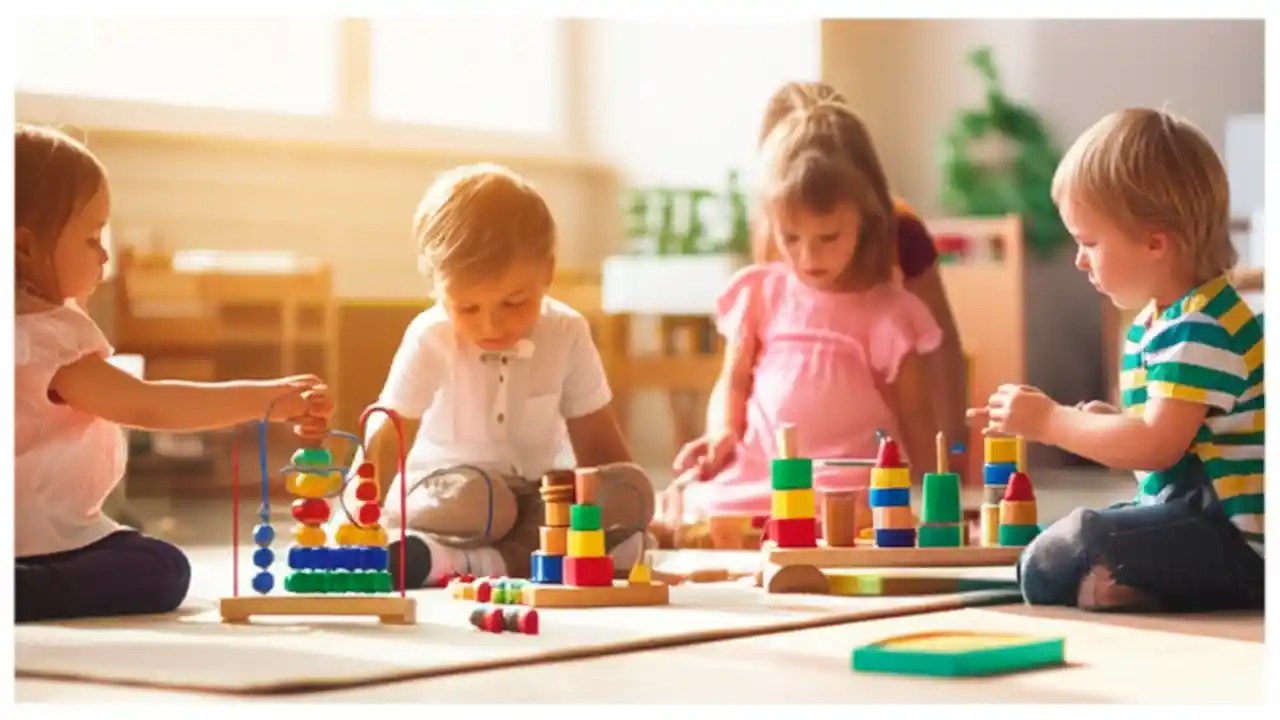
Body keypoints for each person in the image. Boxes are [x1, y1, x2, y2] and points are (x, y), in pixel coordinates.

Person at [15, 123, 328, 622]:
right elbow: (147, 404)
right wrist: (264, 398)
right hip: (39, 540)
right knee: (162, 568)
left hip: (41, 536)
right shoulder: (48, 338)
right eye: (92, 238)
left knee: (141, 556)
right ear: (25, 248)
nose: (104, 255)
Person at [968, 108, 1264, 611]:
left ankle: (1157, 583)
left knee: (1073, 544)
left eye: (1090, 242)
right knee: (1066, 543)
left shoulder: (1200, 328)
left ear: (1154, 242)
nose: (1080, 259)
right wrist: (1111, 425)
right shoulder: (1167, 320)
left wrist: (1051, 422)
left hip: (1235, 541)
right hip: (1195, 519)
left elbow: (1156, 446)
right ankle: (1130, 584)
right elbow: (1174, 440)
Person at [344, 163, 654, 588]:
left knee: (632, 489)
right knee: (487, 502)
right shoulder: (431, 335)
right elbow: (388, 433)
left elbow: (599, 443)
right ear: (436, 286)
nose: (491, 326)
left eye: (514, 303)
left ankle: (468, 562)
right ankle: (477, 553)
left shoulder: (567, 331)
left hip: (536, 499)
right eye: (467, 308)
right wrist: (354, 519)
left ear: (547, 272)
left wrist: (626, 509)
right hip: (449, 498)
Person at [665, 100, 943, 527]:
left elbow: (916, 413)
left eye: (828, 237)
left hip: (850, 479)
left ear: (865, 220)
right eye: (791, 237)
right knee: (697, 509)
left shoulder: (888, 312)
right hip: (763, 473)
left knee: (863, 518)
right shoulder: (762, 291)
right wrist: (722, 430)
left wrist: (932, 496)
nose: (808, 257)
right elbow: (734, 378)